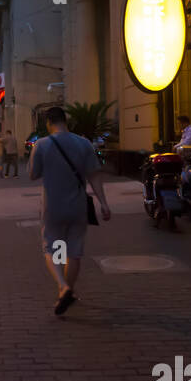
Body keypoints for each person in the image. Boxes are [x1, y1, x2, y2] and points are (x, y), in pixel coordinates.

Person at [29, 107, 111, 315]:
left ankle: (63, 286)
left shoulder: (42, 144)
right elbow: (94, 175)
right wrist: (103, 203)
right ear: (66, 121)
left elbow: (32, 174)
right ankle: (67, 291)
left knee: (54, 247)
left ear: (48, 123)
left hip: (53, 206)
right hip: (78, 205)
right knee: (74, 251)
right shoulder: (84, 143)